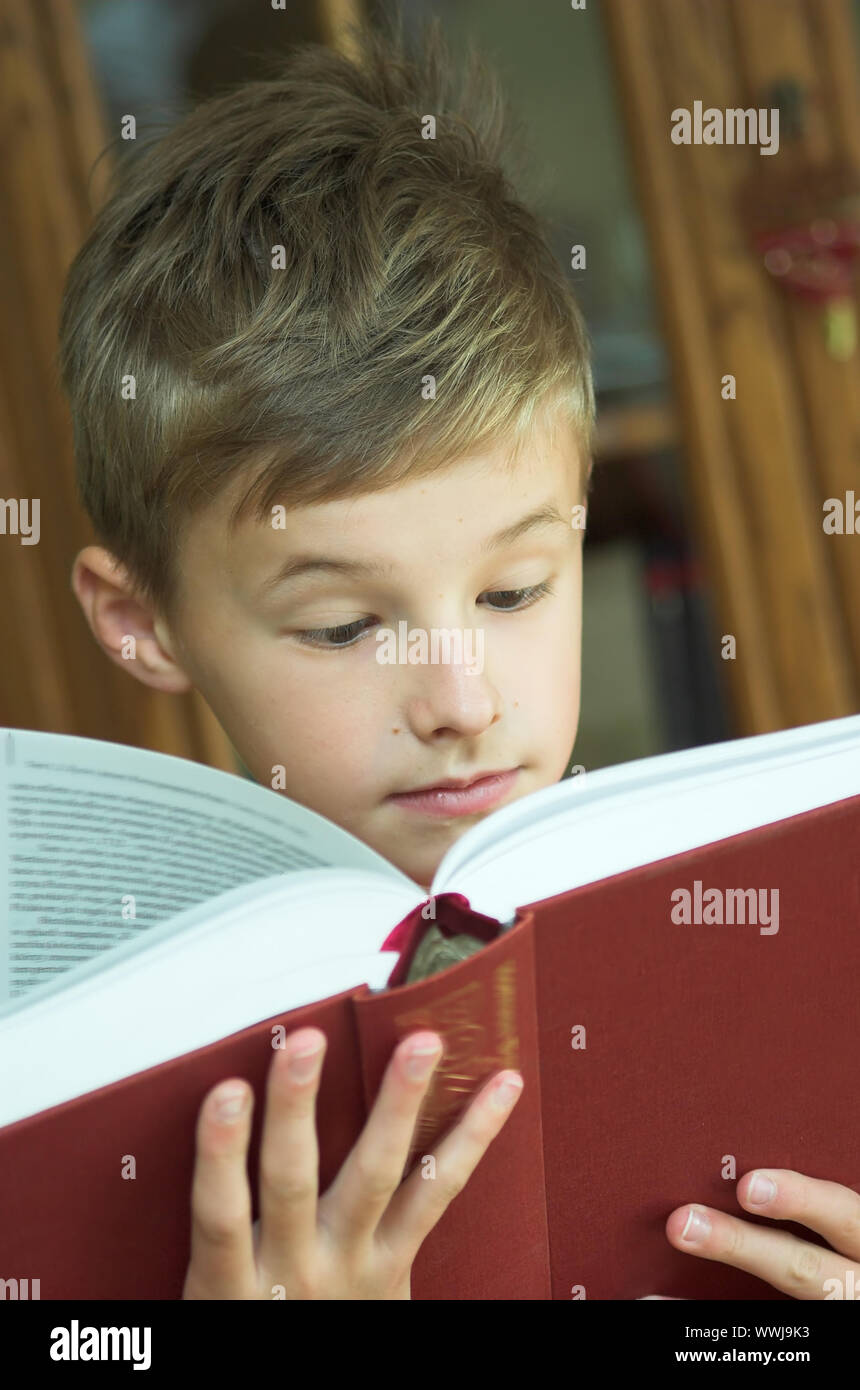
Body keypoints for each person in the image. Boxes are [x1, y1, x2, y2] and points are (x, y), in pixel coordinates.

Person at [60, 10, 858, 1302]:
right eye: (343, 625)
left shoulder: (753, 919)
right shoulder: (93, 1049)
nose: (462, 699)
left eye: (516, 587)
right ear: (140, 620)